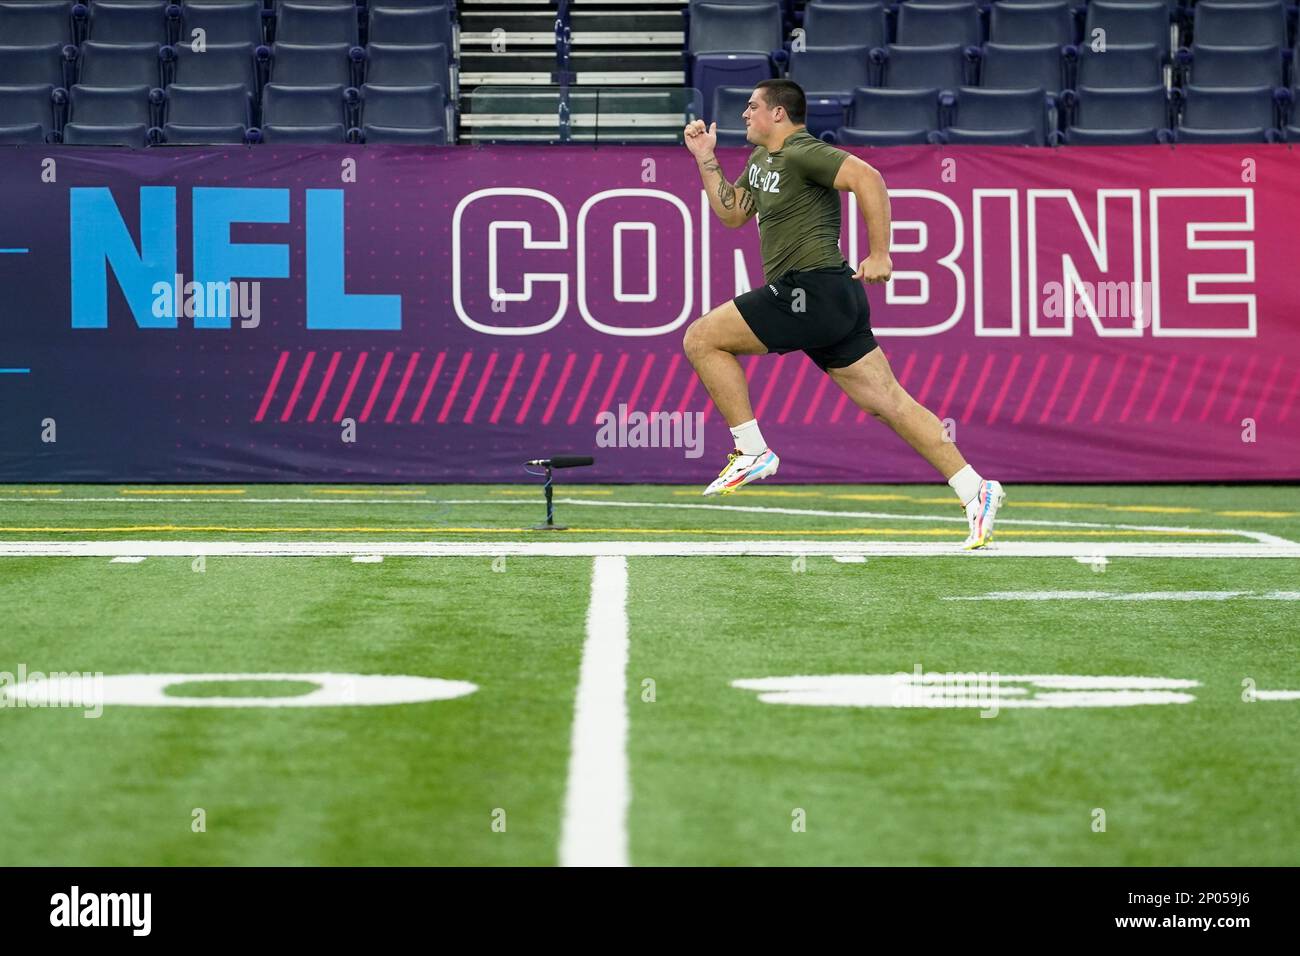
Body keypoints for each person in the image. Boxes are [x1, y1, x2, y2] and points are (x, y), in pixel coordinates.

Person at [681, 79, 1005, 549]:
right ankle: (976, 489)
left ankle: (752, 450)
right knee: (887, 402)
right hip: (830, 300)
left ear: (778, 114)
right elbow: (731, 214)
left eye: (752, 107)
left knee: (701, 339)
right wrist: (704, 158)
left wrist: (881, 254)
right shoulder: (759, 162)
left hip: (812, 289)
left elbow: (867, 177)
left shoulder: (802, 151)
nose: (744, 115)